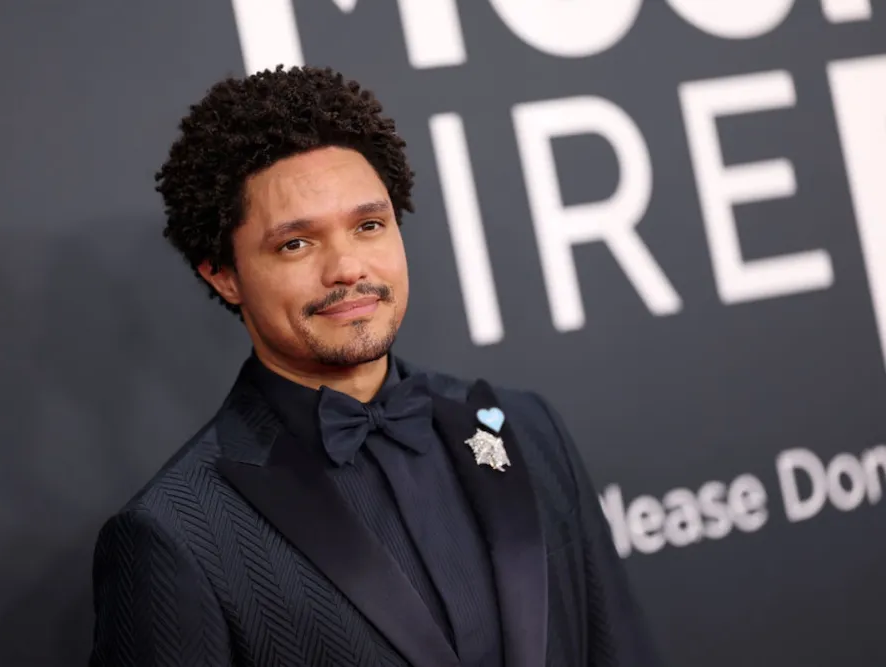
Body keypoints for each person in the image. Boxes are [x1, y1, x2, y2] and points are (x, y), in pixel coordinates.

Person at [88, 64, 663, 667]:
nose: (347, 268)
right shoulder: (174, 534)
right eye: (295, 244)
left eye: (368, 226)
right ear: (223, 274)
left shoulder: (526, 427)